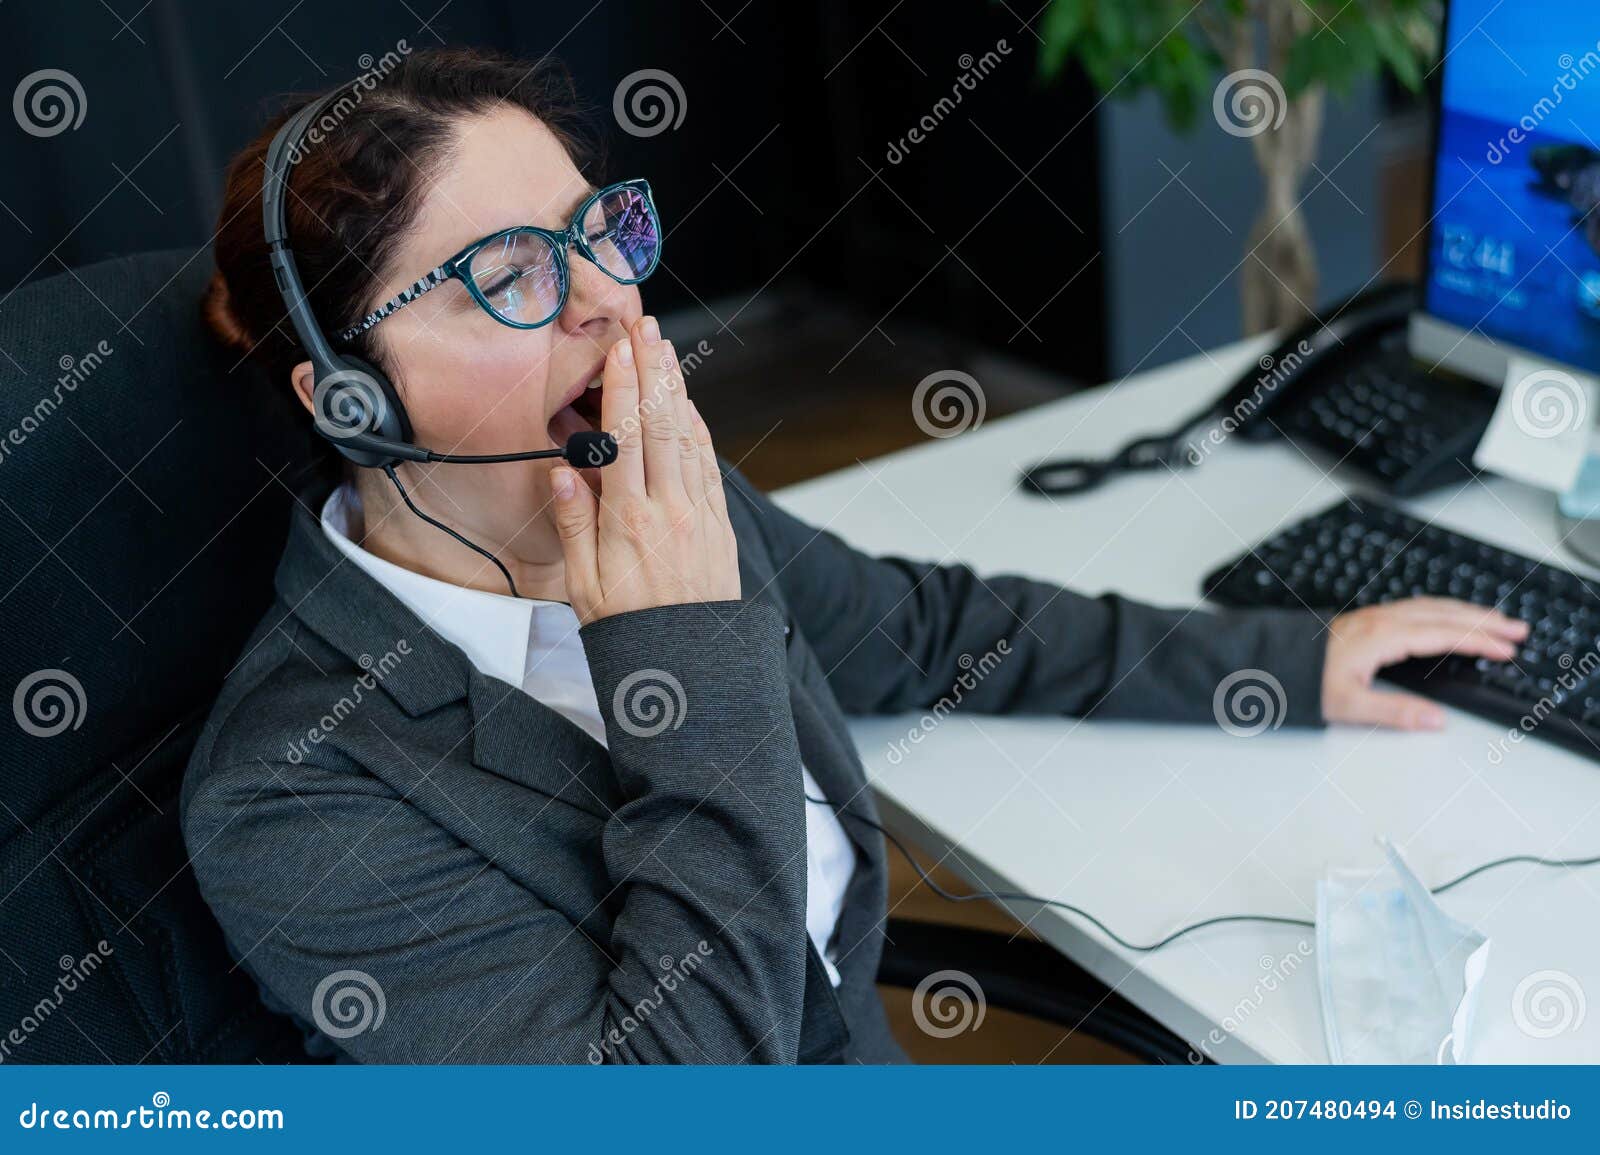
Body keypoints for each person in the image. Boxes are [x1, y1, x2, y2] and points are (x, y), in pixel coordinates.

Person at [182, 47, 1529, 1064]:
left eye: (598, 232)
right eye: (512, 276)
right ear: (349, 398)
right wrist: (684, 651)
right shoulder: (300, 800)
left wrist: (1289, 660)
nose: (609, 301)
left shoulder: (660, 504)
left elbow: (920, 629)